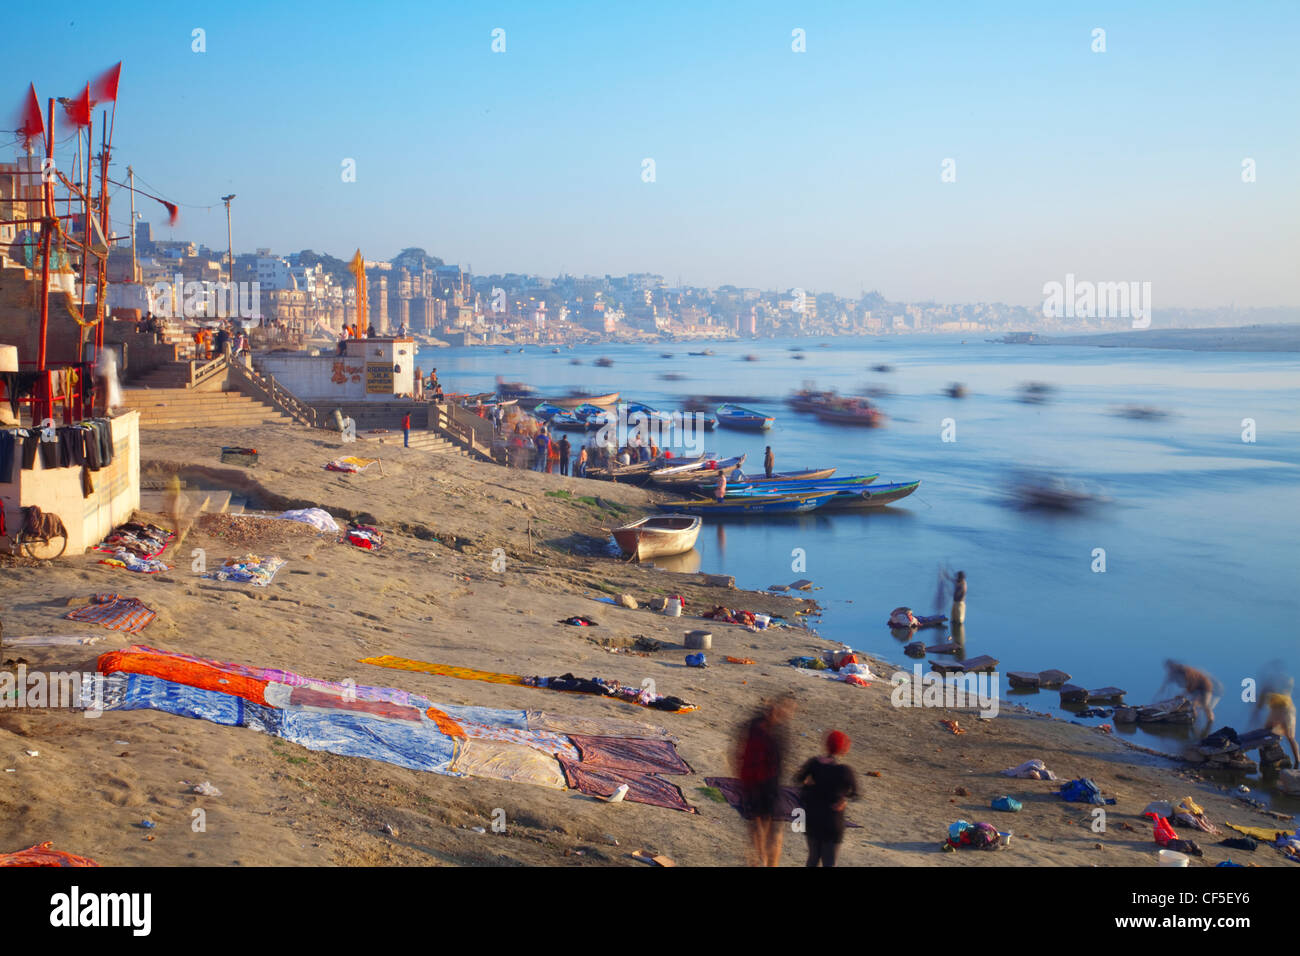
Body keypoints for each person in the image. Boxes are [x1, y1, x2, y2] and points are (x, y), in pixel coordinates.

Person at [734, 696, 796, 867]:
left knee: (760, 826)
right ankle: (762, 861)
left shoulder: (761, 726)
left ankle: (760, 860)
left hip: (757, 784)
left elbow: (741, 750)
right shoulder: (773, 730)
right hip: (763, 785)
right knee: (768, 828)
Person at [794, 731, 860, 867]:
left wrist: (808, 786)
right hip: (832, 822)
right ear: (843, 748)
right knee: (829, 862)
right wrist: (843, 798)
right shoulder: (844, 771)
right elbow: (855, 793)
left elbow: (798, 779)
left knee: (812, 859)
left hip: (812, 818)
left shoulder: (813, 764)